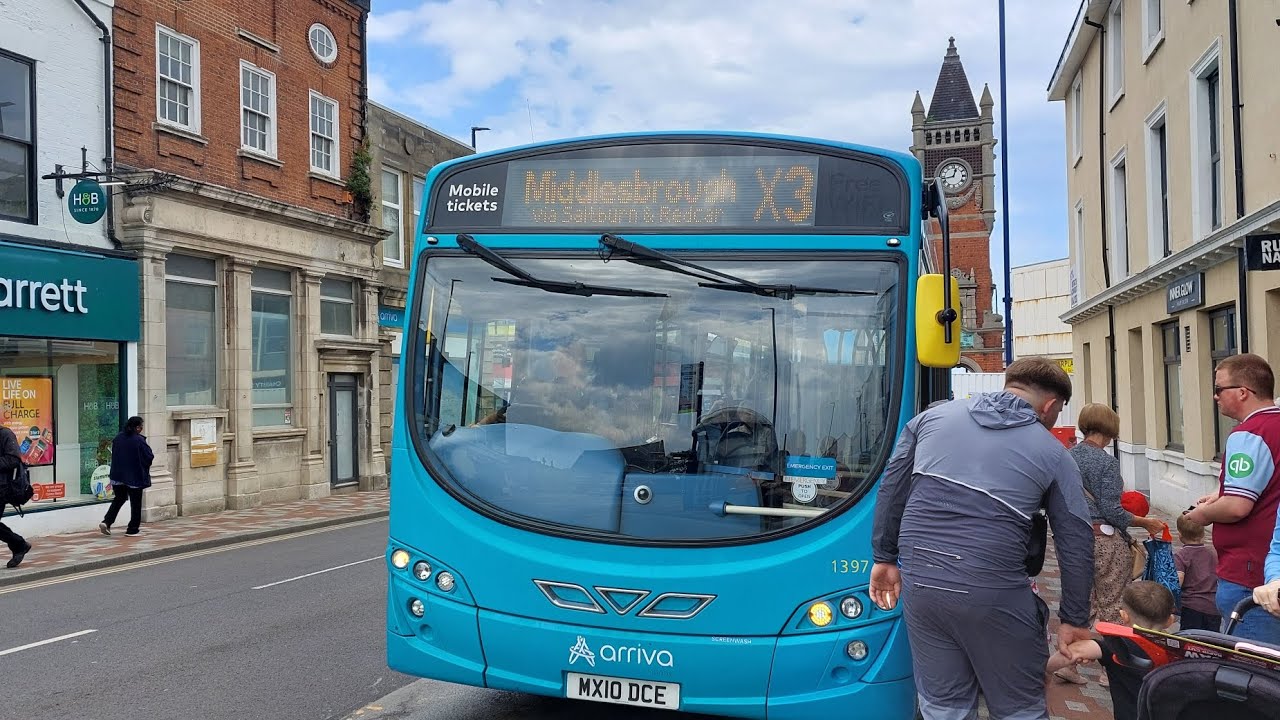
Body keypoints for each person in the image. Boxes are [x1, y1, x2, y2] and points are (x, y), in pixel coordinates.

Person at [869, 357, 1095, 720]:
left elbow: (892, 489)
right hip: (997, 598)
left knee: (943, 708)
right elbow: (1077, 541)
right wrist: (1074, 619)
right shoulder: (1055, 455)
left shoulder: (928, 421)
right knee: (1020, 709)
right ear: (1051, 406)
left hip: (923, 589)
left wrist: (884, 557)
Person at [1183, 353, 1280, 643]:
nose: (1215, 396)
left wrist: (1201, 515)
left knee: (1251, 670)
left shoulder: (1248, 435)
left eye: (1219, 388)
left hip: (1249, 575)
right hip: (1269, 572)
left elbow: (1238, 506)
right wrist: (1221, 494)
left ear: (1242, 392)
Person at [1048, 581, 1177, 720]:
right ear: (1170, 620)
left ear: (1124, 616)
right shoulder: (1180, 648)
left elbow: (1075, 651)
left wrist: (1045, 670)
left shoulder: (1117, 645)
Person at [99, 416, 153, 537]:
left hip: (117, 475)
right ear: (136, 427)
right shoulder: (139, 440)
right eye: (140, 427)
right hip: (134, 476)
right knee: (136, 503)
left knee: (119, 498)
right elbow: (149, 456)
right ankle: (132, 529)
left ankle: (107, 522)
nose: (141, 429)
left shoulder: (118, 438)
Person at [1174, 512, 1220, 631]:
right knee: (1211, 641)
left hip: (1191, 606)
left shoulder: (1181, 555)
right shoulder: (1213, 553)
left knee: (1190, 640)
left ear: (1179, 535)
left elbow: (1178, 580)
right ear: (1203, 533)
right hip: (1213, 606)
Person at [0, 425, 32, 568]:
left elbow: (13, 459)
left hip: (2, 488)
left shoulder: (5, 434)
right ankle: (19, 544)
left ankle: (19, 544)